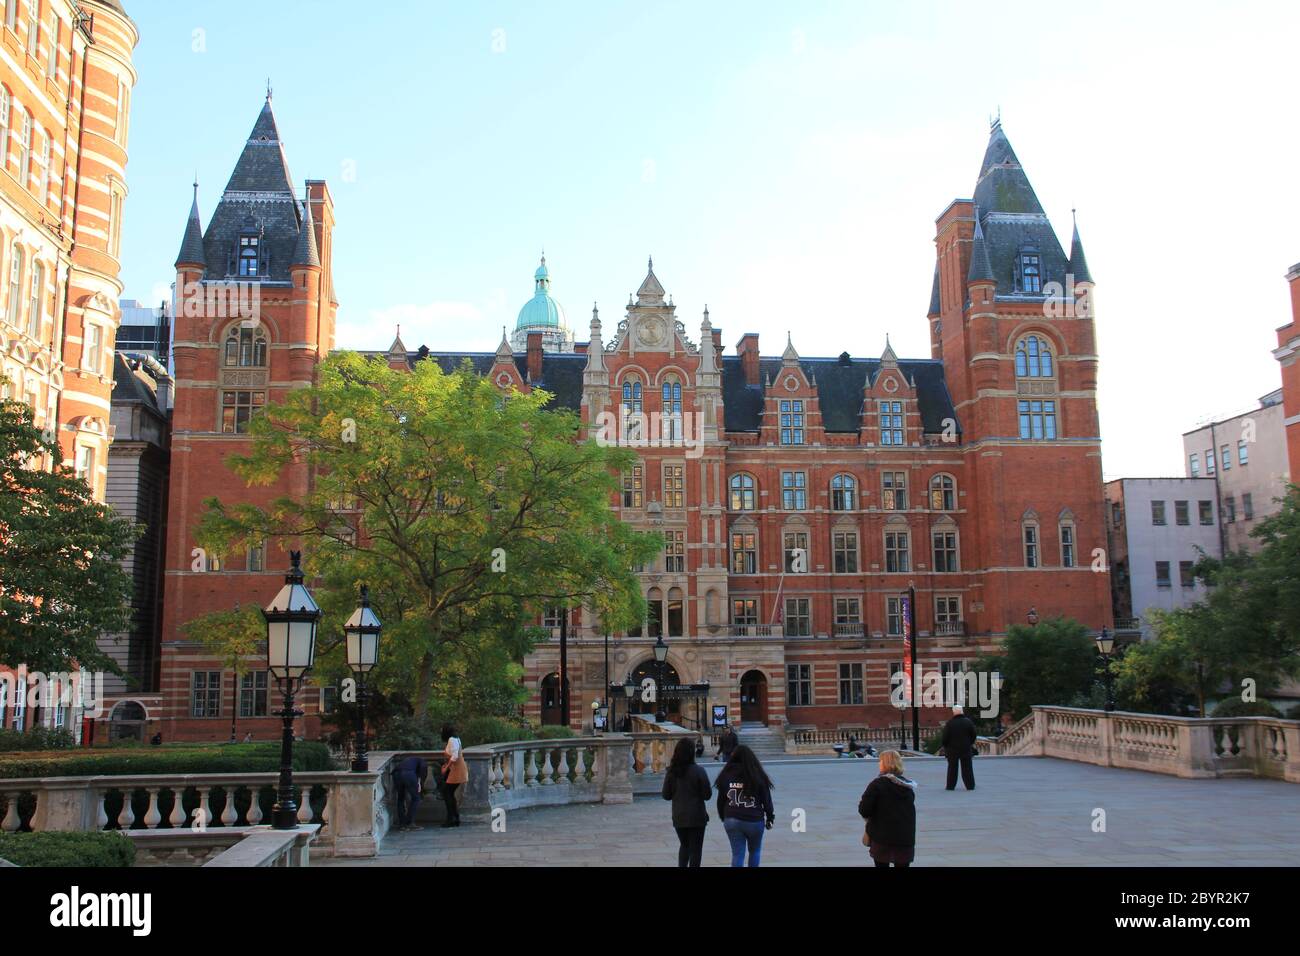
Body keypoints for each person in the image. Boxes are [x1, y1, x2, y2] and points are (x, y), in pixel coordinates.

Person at [714, 744, 774, 867]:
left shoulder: (726, 774)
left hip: (732, 817)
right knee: (755, 851)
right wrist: (770, 817)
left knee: (737, 854)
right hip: (754, 819)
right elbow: (766, 800)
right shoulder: (757, 775)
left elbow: (721, 800)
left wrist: (723, 816)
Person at [858, 750, 917, 868]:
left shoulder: (877, 785)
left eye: (880, 761)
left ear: (885, 763)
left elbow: (864, 809)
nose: (879, 764)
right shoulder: (908, 787)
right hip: (905, 837)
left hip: (882, 837)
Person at [662, 737, 711, 867]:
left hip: (679, 816)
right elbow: (707, 795)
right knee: (696, 850)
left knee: (684, 846)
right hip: (697, 816)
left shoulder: (671, 772)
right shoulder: (699, 771)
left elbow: (666, 795)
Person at [941, 705, 977, 791]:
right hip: (966, 748)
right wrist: (969, 743)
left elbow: (945, 738)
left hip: (952, 750)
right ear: (962, 711)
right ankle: (970, 785)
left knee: (952, 768)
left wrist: (946, 746)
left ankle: (950, 786)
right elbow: (973, 735)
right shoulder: (968, 722)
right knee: (967, 768)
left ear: (954, 712)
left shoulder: (950, 723)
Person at [440, 723, 468, 827]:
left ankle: (451, 819)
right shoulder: (456, 739)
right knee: (449, 793)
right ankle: (454, 818)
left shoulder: (452, 740)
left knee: (447, 793)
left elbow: (455, 756)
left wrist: (446, 768)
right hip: (456, 769)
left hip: (457, 770)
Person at [394, 754, 428, 831]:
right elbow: (422, 773)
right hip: (408, 774)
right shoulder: (423, 762)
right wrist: (419, 783)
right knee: (416, 798)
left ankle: (402, 825)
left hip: (396, 774)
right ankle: (410, 823)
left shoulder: (409, 760)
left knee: (400, 798)